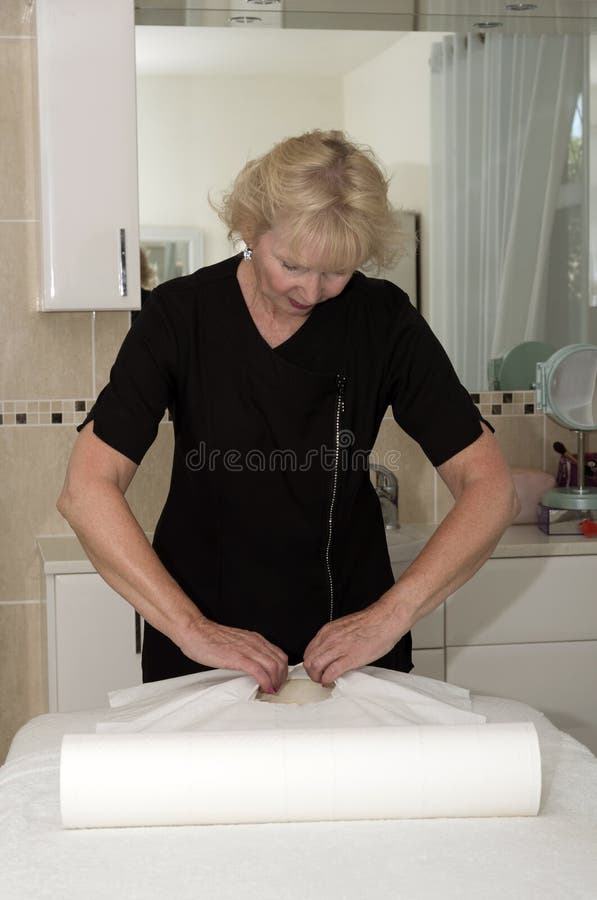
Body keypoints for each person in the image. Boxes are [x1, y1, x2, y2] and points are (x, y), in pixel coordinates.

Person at [57, 130, 518, 695]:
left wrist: (391, 616)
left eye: (337, 271)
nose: (312, 291)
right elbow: (87, 488)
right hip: (202, 645)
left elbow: (490, 486)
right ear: (250, 229)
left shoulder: (383, 321)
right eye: (293, 264)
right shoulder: (180, 316)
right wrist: (192, 628)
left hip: (351, 647)